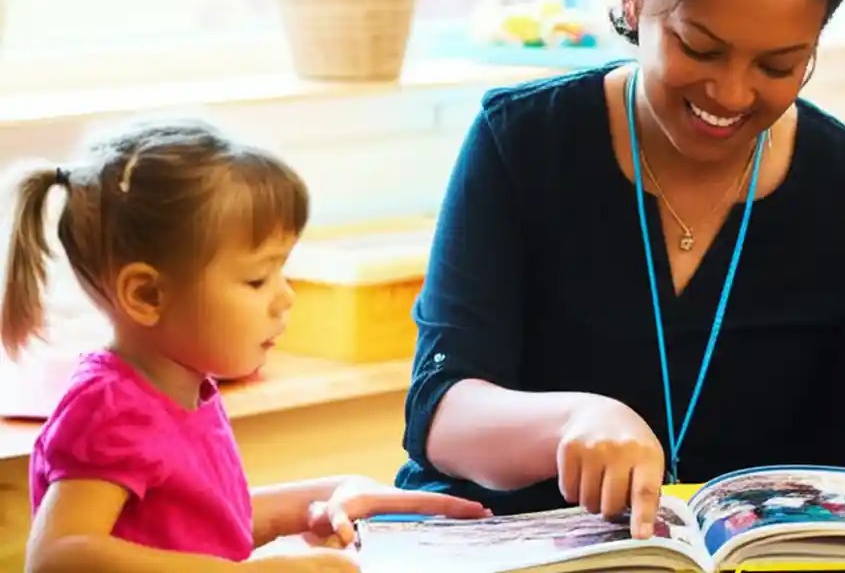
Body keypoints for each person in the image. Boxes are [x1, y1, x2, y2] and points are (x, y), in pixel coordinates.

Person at [397, 0, 845, 540]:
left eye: (778, 66)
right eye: (698, 47)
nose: (730, 94)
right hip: (507, 541)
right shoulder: (521, 143)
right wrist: (573, 421)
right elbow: (441, 414)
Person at [3, 119, 490, 572]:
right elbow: (58, 554)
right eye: (258, 279)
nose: (285, 297)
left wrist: (328, 495)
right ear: (147, 295)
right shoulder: (109, 409)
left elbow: (200, 526)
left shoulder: (182, 386)